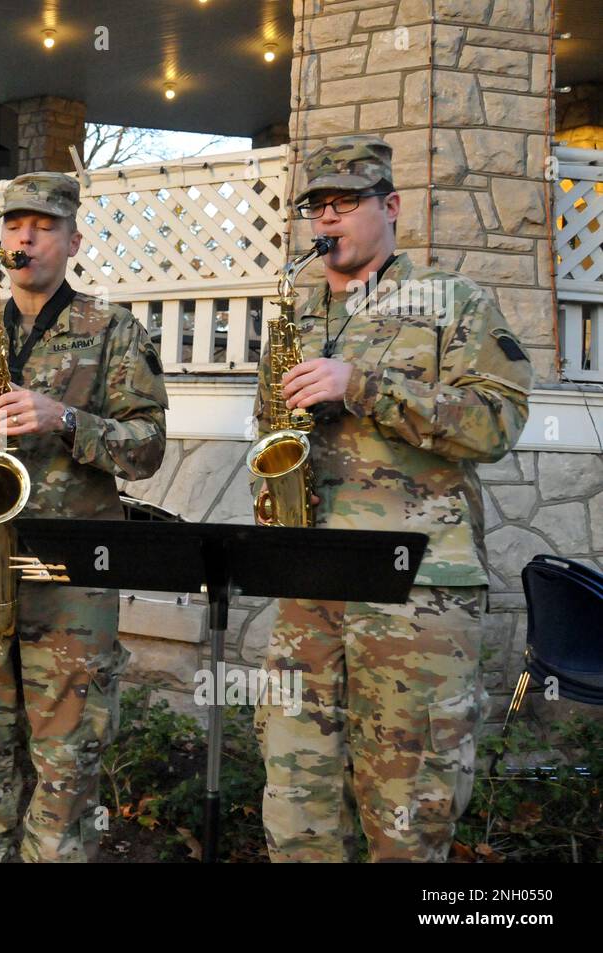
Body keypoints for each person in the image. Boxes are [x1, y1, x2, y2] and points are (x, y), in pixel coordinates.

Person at [250, 135, 534, 863]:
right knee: (296, 805)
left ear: (392, 206)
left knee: (408, 813)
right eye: (316, 206)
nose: (327, 219)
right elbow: (268, 436)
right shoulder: (296, 311)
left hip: (419, 594)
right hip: (308, 589)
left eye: (345, 203)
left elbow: (497, 423)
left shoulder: (453, 301)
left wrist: (364, 386)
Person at [0, 171, 168, 862]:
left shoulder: (113, 329)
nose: (25, 236)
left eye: (44, 225)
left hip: (72, 588)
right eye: (15, 224)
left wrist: (67, 420)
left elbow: (146, 450)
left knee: (67, 771)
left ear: (73, 240)